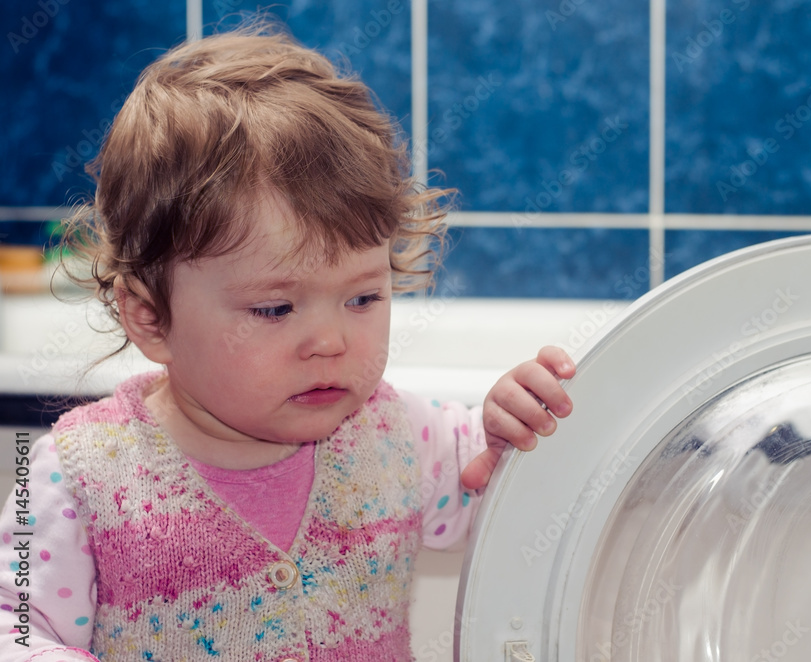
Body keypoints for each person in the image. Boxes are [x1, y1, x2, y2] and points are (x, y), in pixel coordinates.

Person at [0, 24, 575, 661]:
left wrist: (508, 434)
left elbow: (505, 503)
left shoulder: (402, 435)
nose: (330, 341)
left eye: (363, 298)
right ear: (151, 318)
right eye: (274, 309)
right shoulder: (77, 473)